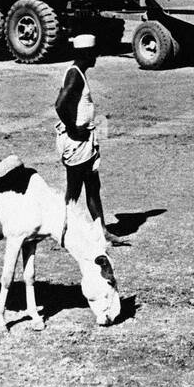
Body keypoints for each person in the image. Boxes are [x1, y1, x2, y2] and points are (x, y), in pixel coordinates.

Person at [55, 34, 110, 239]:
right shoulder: (75, 75)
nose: (96, 56)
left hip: (85, 139)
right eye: (94, 52)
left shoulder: (78, 72)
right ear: (86, 53)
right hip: (77, 141)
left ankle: (101, 231)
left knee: (93, 186)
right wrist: (72, 128)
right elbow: (60, 104)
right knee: (74, 188)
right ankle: (61, 228)